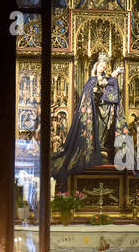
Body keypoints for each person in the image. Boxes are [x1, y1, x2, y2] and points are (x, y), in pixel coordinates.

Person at [51, 50, 129, 182]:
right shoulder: (91, 80)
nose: (102, 68)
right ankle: (94, 150)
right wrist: (99, 87)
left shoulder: (107, 79)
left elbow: (111, 93)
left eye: (104, 67)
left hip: (105, 111)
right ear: (96, 66)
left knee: (104, 130)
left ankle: (103, 148)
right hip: (94, 112)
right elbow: (89, 93)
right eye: (100, 66)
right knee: (95, 129)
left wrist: (113, 77)